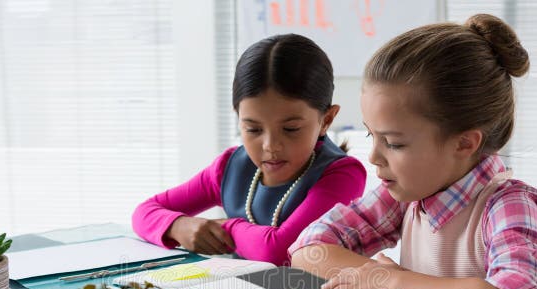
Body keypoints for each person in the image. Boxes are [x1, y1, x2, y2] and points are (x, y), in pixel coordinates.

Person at [290, 14, 537, 289]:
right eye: (371, 136)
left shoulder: (508, 205)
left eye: (394, 143)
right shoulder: (406, 193)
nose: (374, 156)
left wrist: (395, 282)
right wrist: (377, 278)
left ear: (464, 143)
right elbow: (308, 251)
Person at [132, 34, 366, 266]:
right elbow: (143, 213)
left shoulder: (344, 175)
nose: (270, 146)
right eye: (253, 129)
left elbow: (280, 250)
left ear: (326, 119)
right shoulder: (229, 169)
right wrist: (178, 225)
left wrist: (224, 227)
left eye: (291, 129)